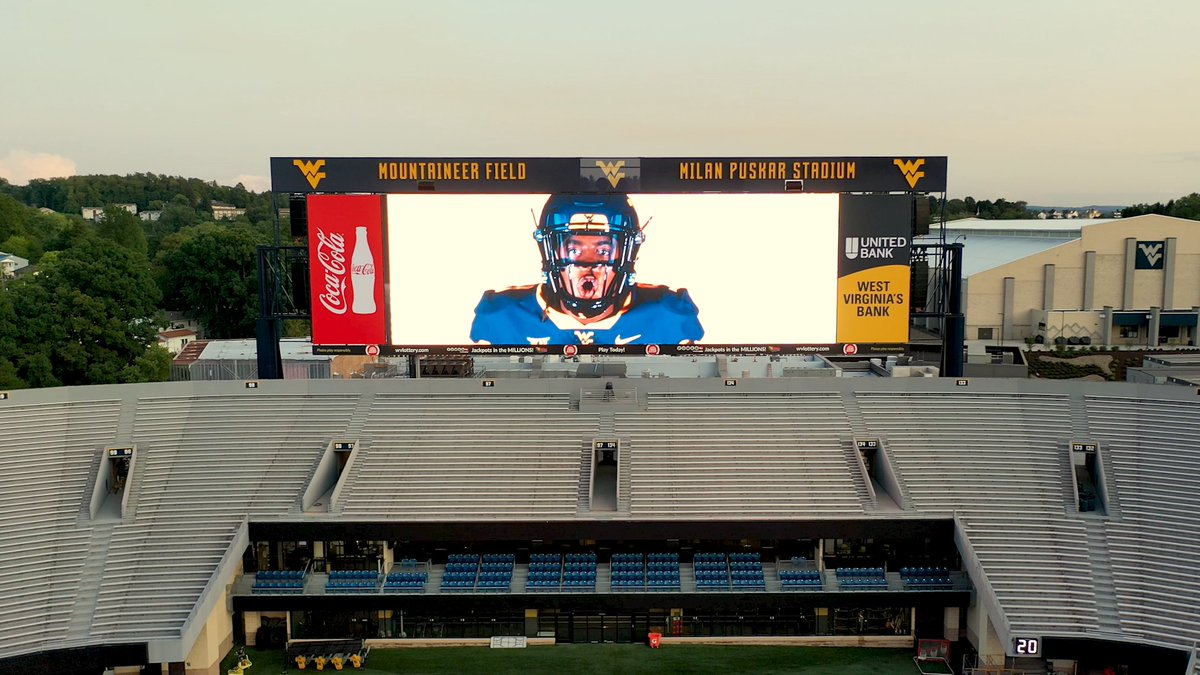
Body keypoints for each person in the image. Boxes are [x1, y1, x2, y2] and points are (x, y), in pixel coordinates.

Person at [470, 194, 703, 346]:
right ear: (550, 251)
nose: (588, 267)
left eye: (603, 251)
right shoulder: (501, 314)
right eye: (574, 250)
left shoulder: (669, 314)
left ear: (627, 253)